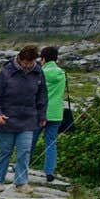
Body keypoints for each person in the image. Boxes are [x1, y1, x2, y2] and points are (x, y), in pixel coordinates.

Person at [0, 44, 48, 189]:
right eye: (25, 62)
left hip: (28, 119)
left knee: (25, 151)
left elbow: (42, 96)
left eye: (31, 62)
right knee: (5, 151)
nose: (28, 66)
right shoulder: (6, 71)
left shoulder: (38, 72)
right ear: (19, 59)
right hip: (6, 119)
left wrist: (42, 116)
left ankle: (21, 182)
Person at [32, 45, 67, 183]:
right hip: (57, 112)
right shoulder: (62, 73)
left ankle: (21, 167)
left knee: (30, 141)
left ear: (43, 58)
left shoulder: (41, 72)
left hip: (41, 112)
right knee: (51, 143)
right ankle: (49, 172)